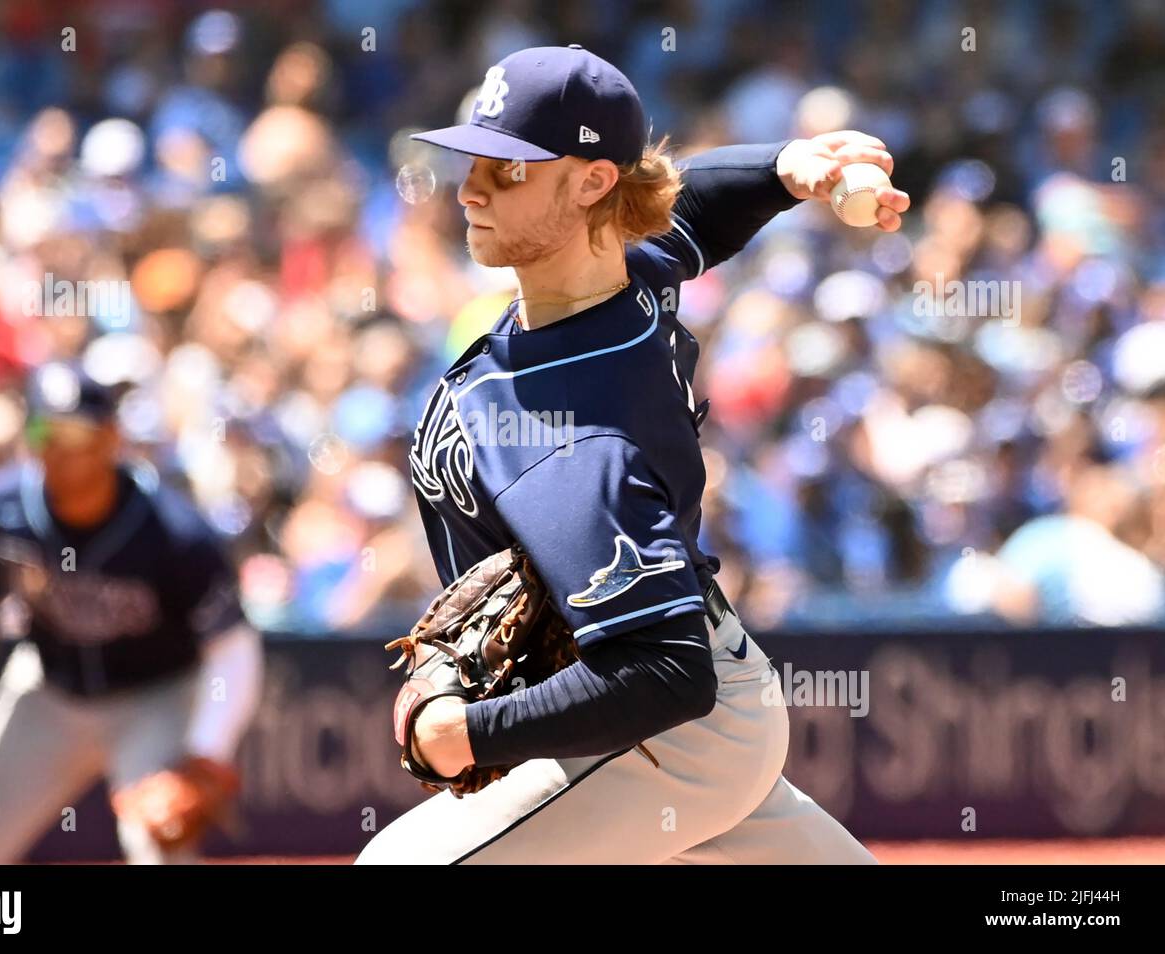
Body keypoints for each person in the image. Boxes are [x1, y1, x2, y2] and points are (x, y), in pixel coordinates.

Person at [357, 45, 909, 864]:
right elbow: (693, 217)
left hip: (663, 739)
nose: (471, 187)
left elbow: (664, 672)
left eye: (510, 170)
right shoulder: (621, 272)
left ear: (592, 183)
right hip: (690, 720)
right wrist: (787, 168)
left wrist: (470, 733)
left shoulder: (574, 438)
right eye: (474, 158)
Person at [0, 362, 263, 864]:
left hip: (155, 698)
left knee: (159, 843)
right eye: (43, 429)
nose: (56, 446)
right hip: (50, 692)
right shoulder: (2, 508)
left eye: (73, 432)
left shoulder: (174, 532)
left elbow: (233, 649)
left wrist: (206, 757)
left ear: (109, 438)